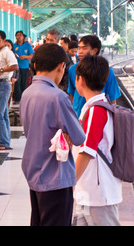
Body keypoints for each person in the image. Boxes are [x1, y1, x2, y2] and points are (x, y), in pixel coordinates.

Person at [20, 43, 86, 226]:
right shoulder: (57, 96)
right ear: (61, 66)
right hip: (54, 175)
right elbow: (79, 137)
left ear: (34, 65)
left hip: (33, 169)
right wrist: (68, 131)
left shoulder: (27, 93)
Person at [73, 55, 122, 226]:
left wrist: (69, 182)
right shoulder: (94, 107)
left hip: (98, 194)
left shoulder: (96, 110)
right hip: (89, 191)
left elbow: (87, 150)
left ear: (81, 80)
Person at [67, 35, 120, 117]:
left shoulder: (108, 72)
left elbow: (112, 101)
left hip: (98, 116)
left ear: (95, 50)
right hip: (77, 117)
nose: (79, 52)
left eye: (84, 48)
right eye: (79, 48)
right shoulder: (72, 69)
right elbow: (72, 95)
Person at [0, 30, 18, 150]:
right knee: (3, 115)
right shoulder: (0, 52)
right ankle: (4, 140)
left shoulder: (7, 52)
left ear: (3, 41)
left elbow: (15, 65)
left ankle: (4, 142)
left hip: (2, 85)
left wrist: (1, 70)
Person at [12, 31, 33, 104]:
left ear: (23, 37)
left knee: (24, 83)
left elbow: (31, 56)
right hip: (16, 68)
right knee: (17, 83)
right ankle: (17, 99)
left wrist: (25, 57)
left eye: (20, 35)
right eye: (17, 35)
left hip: (25, 67)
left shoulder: (27, 45)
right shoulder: (14, 46)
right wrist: (13, 55)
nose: (18, 37)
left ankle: (24, 99)